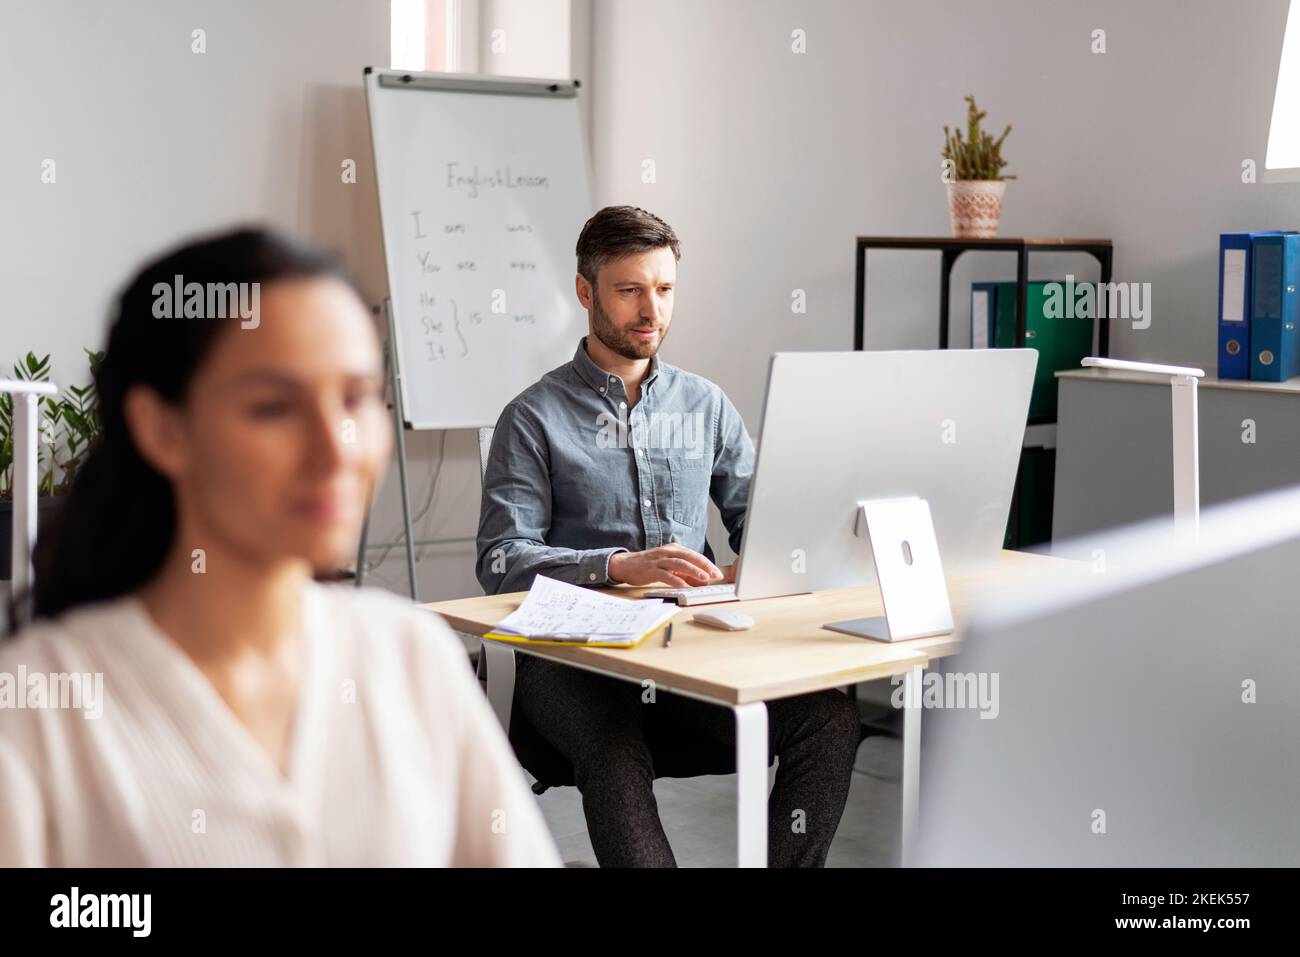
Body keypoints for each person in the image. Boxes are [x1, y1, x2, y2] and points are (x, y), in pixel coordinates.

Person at [0, 227, 559, 867]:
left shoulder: (411, 656)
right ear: (162, 428)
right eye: (274, 407)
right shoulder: (40, 707)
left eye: (356, 398)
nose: (337, 448)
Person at [476, 205, 862, 867]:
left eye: (664, 288)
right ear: (585, 291)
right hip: (572, 663)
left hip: (689, 655)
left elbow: (764, 521)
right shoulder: (532, 417)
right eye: (629, 290)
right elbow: (502, 558)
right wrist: (619, 566)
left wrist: (770, 559)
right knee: (614, 744)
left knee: (827, 716)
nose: (650, 309)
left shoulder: (705, 405)